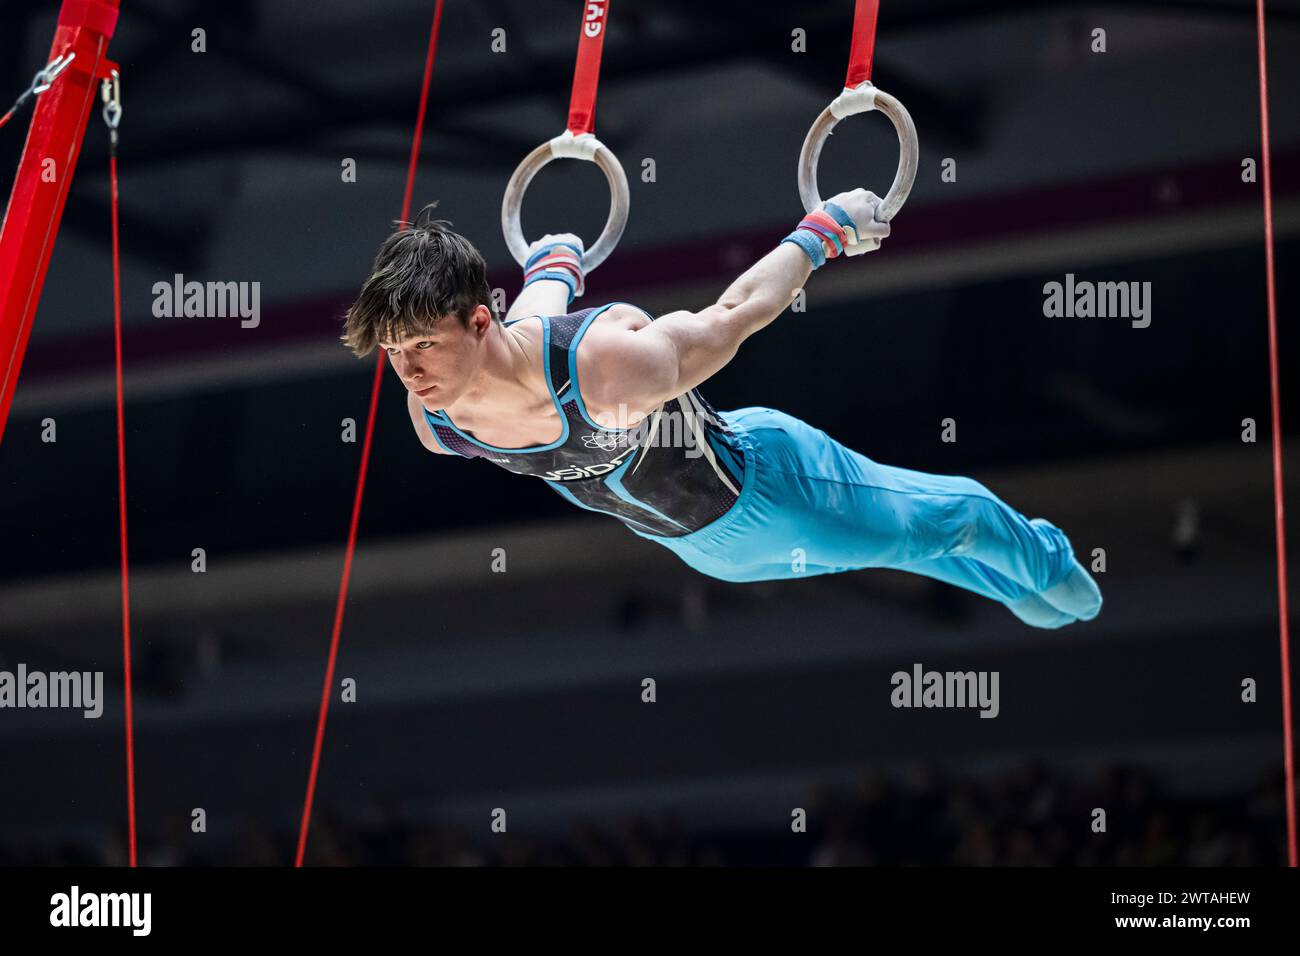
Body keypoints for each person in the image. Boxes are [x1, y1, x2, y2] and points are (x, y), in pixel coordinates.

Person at [341, 192, 1101, 628]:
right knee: (899, 549)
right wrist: (553, 266)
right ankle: (1021, 587)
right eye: (393, 352)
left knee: (940, 523)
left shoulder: (611, 369)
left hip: (774, 485)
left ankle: (1049, 559)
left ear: (476, 322)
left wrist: (821, 233)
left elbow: (735, 314)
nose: (409, 371)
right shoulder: (436, 418)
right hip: (705, 552)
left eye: (421, 346)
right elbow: (522, 325)